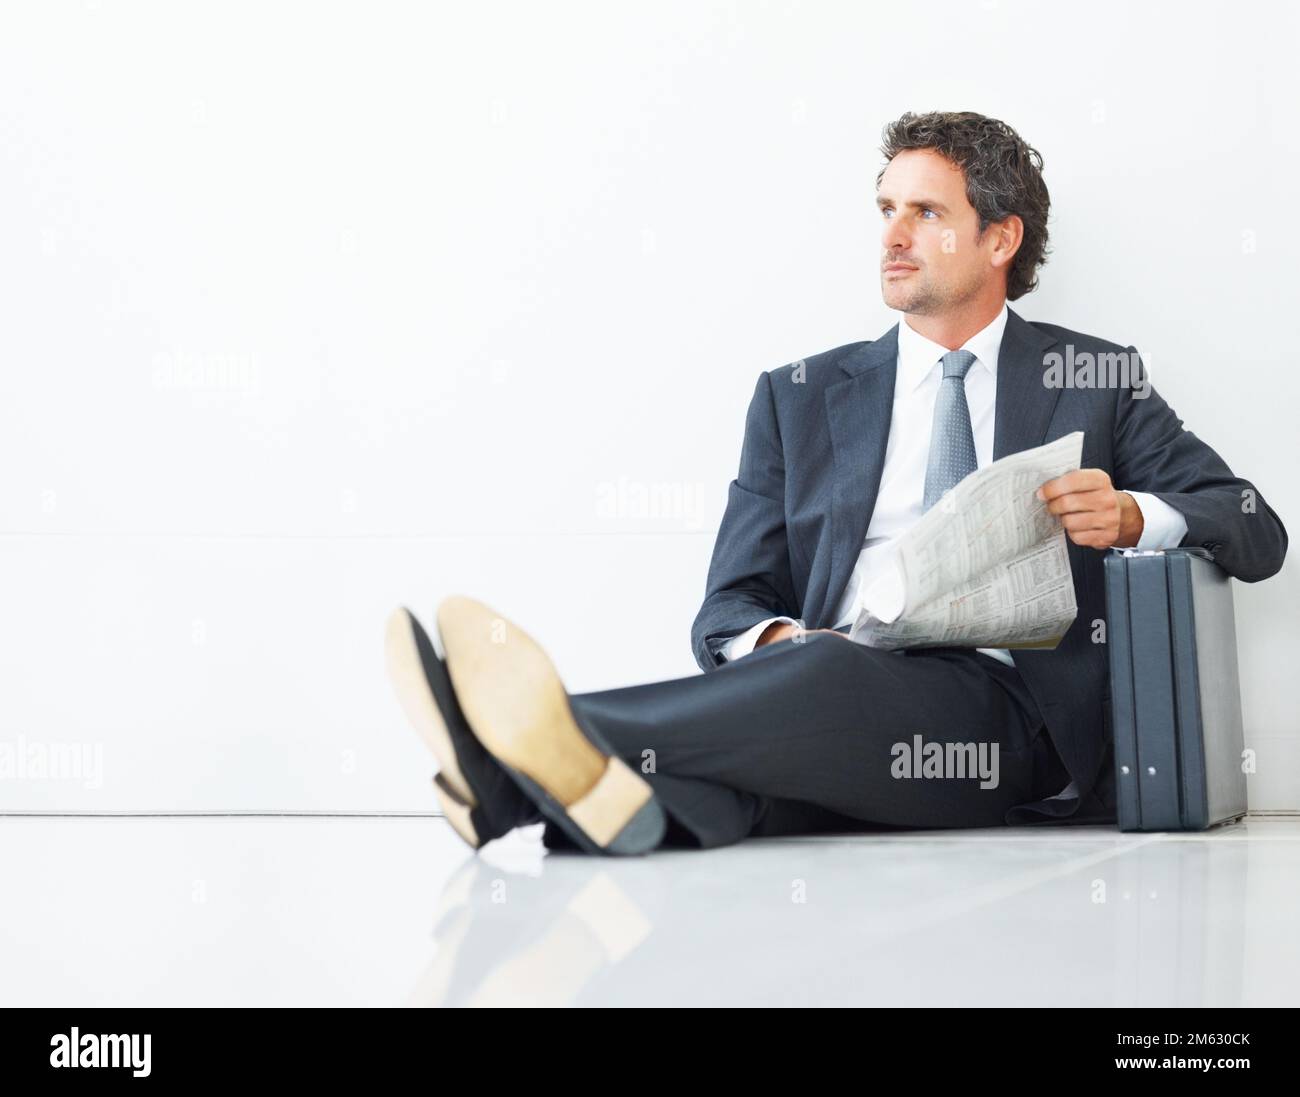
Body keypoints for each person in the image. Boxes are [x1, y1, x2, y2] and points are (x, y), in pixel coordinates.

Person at [385, 111, 1287, 855]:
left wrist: (1135, 516)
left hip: (1006, 728)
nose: (894, 236)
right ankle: (515, 790)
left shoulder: (1095, 379)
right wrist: (780, 635)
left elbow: (1257, 528)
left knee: (829, 674)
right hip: (830, 703)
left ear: (1000, 237)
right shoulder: (797, 398)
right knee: (730, 786)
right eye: (887, 207)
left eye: (927, 213)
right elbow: (728, 606)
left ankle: (522, 733)